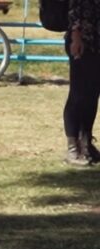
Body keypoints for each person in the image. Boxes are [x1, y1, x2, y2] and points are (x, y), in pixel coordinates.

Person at [65, 0, 100, 166]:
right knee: (78, 94)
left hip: (96, 41)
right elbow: (74, 9)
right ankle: (72, 148)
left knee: (92, 95)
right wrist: (75, 37)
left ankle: (86, 143)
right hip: (82, 39)